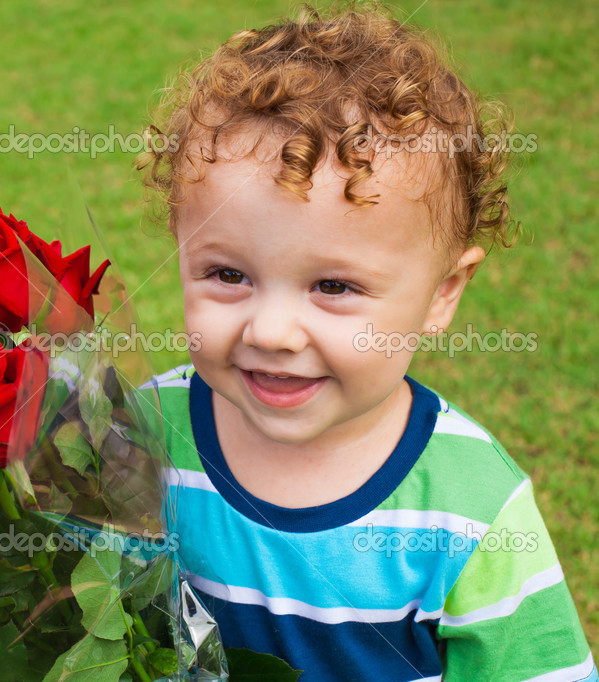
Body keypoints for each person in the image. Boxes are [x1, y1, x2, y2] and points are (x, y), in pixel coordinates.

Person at [136, 4, 595, 680]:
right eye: (226, 274)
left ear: (443, 293)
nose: (269, 331)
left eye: (333, 287)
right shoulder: (141, 435)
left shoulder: (469, 508)